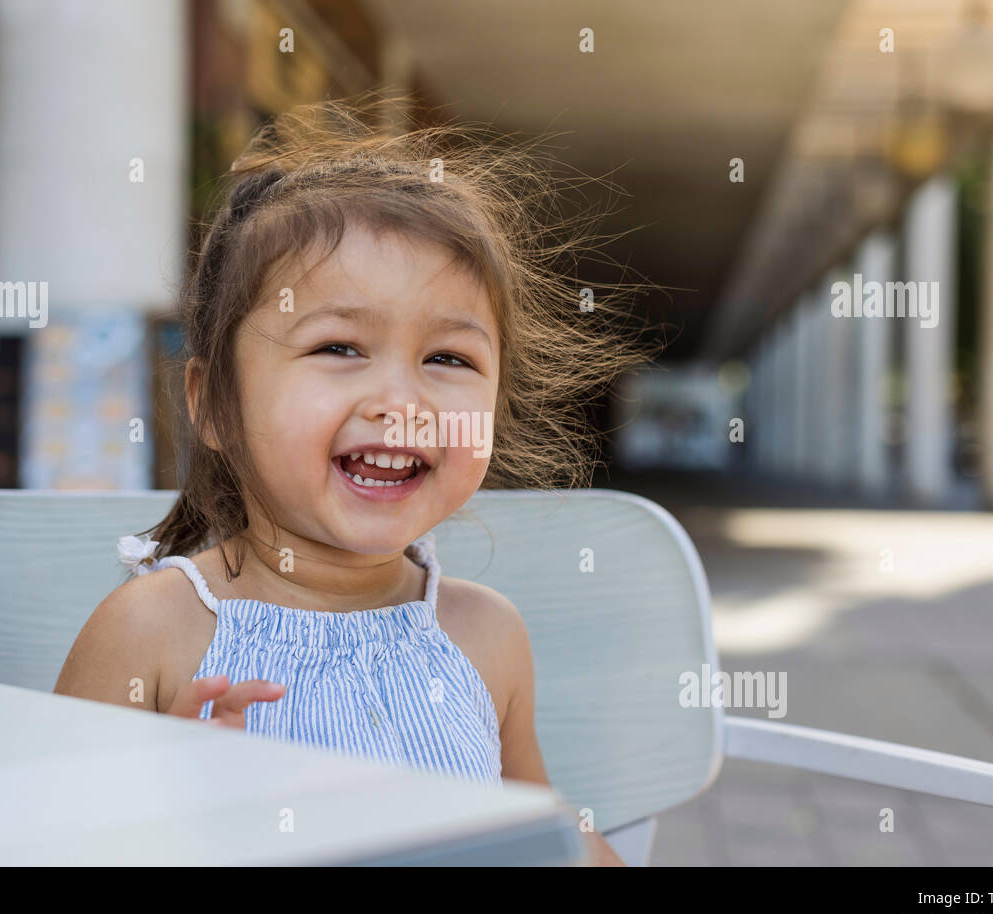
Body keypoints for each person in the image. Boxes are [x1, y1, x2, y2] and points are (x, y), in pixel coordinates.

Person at [55, 92, 660, 866]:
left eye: (449, 359)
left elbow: (546, 840)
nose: (401, 403)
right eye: (339, 348)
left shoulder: (486, 637)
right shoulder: (154, 631)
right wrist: (166, 816)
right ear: (216, 405)